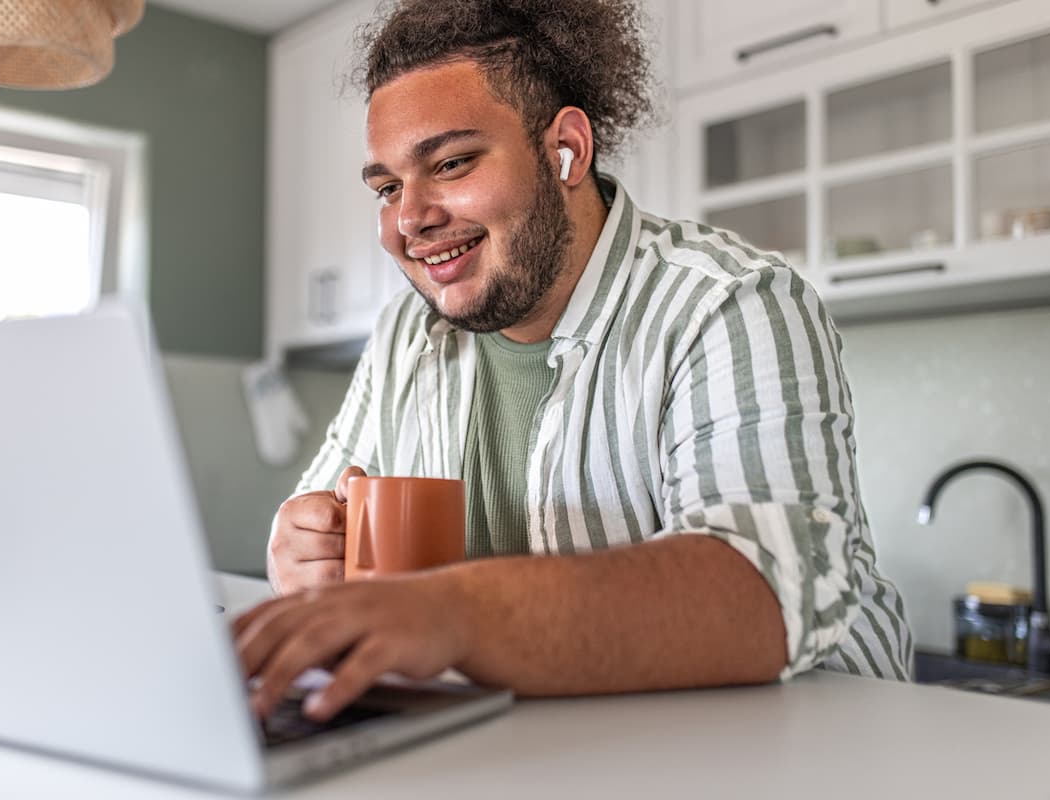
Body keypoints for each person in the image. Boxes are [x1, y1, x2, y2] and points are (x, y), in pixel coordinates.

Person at [233, 0, 912, 722]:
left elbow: (765, 591)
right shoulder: (408, 330)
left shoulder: (727, 302)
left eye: (452, 162)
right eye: (388, 187)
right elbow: (318, 518)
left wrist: (451, 611)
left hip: (816, 752)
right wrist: (302, 545)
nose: (409, 220)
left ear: (567, 150)